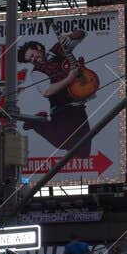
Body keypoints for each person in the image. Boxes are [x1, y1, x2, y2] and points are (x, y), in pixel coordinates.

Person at [16, 29, 94, 158]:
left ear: (38, 48)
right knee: (61, 142)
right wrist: (68, 79)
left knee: (83, 153)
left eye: (33, 55)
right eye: (30, 60)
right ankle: (37, 122)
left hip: (78, 106)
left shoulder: (59, 49)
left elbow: (82, 34)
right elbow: (47, 91)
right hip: (61, 109)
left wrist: (68, 35)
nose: (33, 60)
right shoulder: (36, 72)